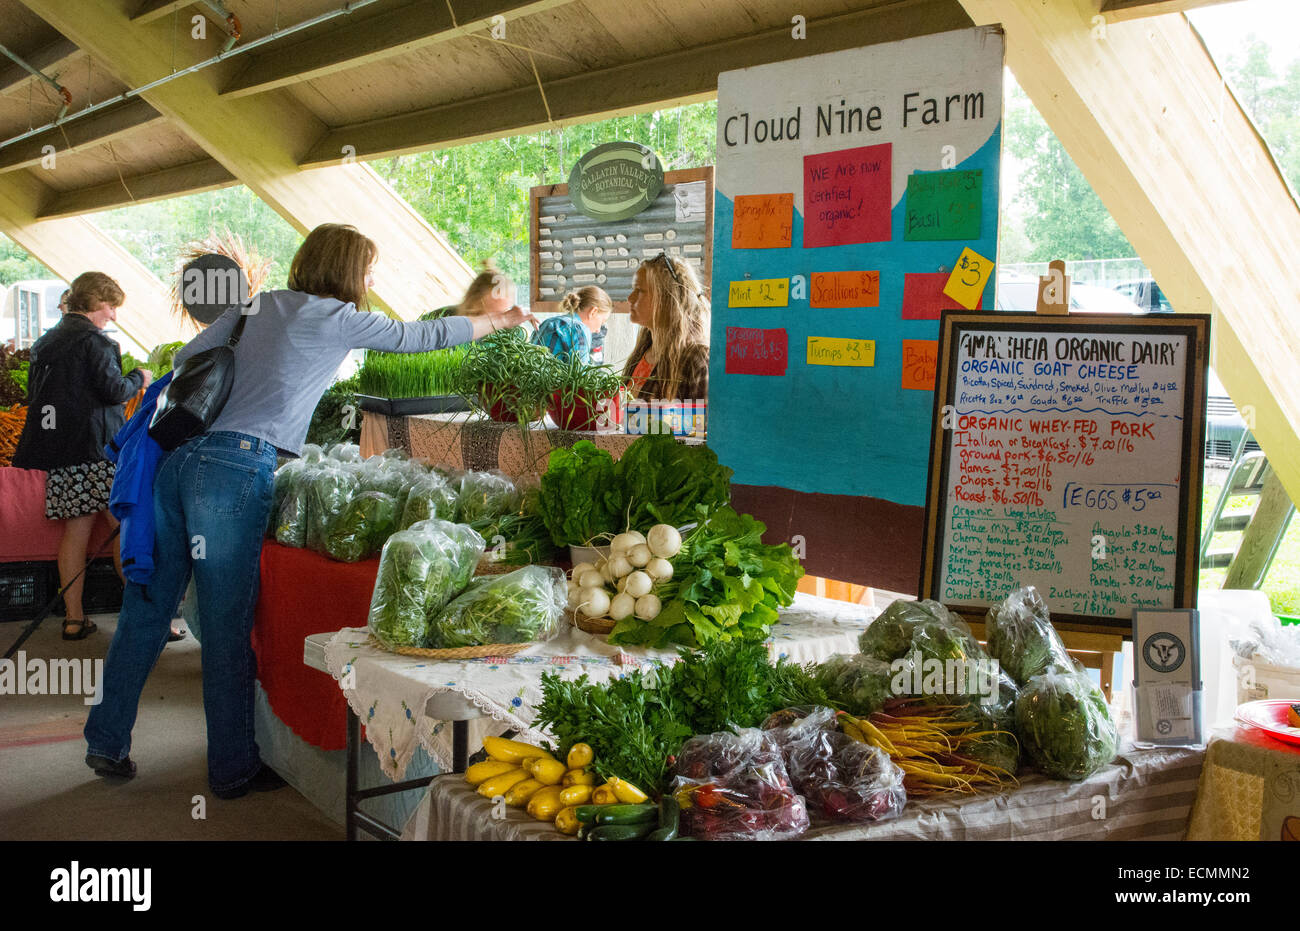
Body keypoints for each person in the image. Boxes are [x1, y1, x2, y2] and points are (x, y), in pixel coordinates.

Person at [84, 223, 536, 798]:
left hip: (180, 461)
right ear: (348, 270)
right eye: (368, 269)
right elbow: (417, 337)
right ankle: (230, 769)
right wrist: (498, 320)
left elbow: (190, 356)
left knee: (147, 608)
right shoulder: (337, 317)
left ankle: (106, 739)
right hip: (236, 467)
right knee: (226, 626)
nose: (371, 280)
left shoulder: (258, 304)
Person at [12, 273, 153, 640]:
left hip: (61, 453)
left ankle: (74, 618)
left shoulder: (45, 342)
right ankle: (148, 619)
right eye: (111, 306)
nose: (113, 316)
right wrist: (139, 377)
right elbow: (112, 391)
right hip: (98, 451)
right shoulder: (95, 342)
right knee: (125, 529)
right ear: (94, 303)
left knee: (75, 533)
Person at [623, 252, 710, 402]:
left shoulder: (697, 358)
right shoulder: (643, 351)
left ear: (666, 298)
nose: (630, 298)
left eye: (640, 291)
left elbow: (704, 424)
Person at [531, 286, 612, 364]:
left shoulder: (549, 322)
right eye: (602, 322)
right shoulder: (579, 329)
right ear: (593, 312)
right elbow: (580, 374)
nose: (598, 330)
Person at [421, 262, 518, 320]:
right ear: (472, 302)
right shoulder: (441, 318)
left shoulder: (505, 339)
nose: (497, 321)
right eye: (489, 315)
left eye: (504, 313)